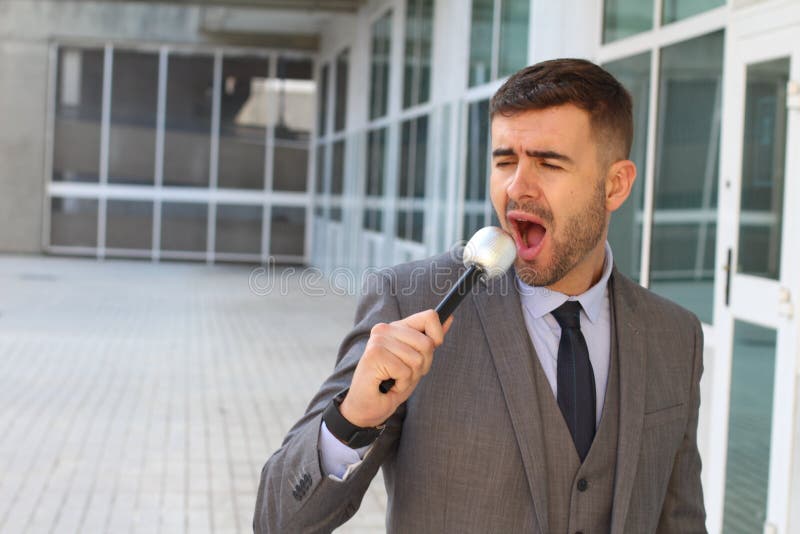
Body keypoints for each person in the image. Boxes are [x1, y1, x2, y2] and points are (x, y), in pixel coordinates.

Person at [254, 58, 706, 533]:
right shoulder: (409, 302)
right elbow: (277, 520)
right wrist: (355, 417)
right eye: (505, 161)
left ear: (615, 185)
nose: (517, 187)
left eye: (549, 163)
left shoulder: (675, 337)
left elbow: (682, 520)